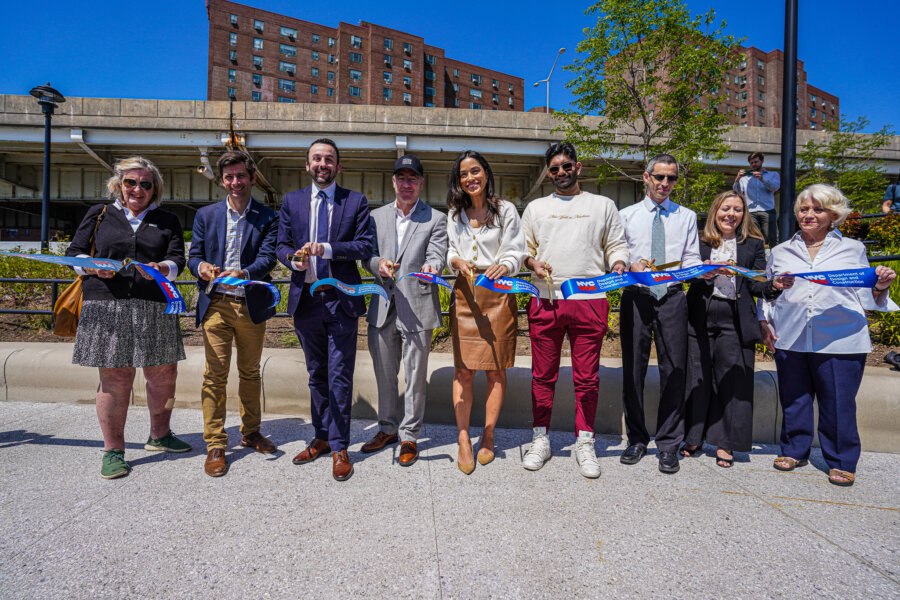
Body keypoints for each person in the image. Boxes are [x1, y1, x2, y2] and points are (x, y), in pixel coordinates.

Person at [760, 184, 896, 487]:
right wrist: (764, 323)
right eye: (804, 209)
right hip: (791, 335)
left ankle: (842, 461)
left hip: (841, 338)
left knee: (838, 402)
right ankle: (794, 450)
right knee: (794, 399)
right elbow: (768, 291)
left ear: (833, 214)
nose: (808, 214)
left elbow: (866, 294)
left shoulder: (852, 249)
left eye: (817, 209)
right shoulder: (780, 251)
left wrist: (881, 286)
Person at [66, 156, 189, 479]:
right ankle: (113, 451)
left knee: (163, 374)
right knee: (116, 378)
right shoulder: (100, 214)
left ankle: (160, 435)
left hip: (155, 304)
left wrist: (163, 269)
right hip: (107, 305)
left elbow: (177, 259)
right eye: (131, 182)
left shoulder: (167, 219)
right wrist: (92, 266)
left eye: (145, 184)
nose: (137, 189)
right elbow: (74, 253)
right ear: (119, 184)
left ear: (154, 188)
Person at [519, 142, 629, 479]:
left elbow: (616, 245)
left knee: (587, 378)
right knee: (542, 375)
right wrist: (532, 263)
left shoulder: (603, 205)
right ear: (548, 172)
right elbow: (523, 249)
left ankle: (585, 440)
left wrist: (619, 263)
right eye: (554, 168)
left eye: (567, 166)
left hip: (590, 298)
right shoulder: (536, 208)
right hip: (546, 298)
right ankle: (540, 438)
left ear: (578, 167)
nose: (561, 172)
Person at [276, 138, 372, 482]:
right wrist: (294, 260)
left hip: (340, 299)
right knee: (316, 373)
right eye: (316, 158)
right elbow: (281, 246)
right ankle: (321, 436)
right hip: (306, 300)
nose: (322, 164)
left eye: (329, 159)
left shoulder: (356, 201)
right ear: (307, 165)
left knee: (340, 374)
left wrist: (327, 249)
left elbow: (364, 246)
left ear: (337, 167)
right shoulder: (292, 202)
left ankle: (340, 445)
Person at [187, 151, 279, 477]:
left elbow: (268, 258)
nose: (235, 182)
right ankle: (215, 443)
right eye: (229, 177)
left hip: (250, 303)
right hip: (216, 304)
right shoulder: (206, 215)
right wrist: (200, 267)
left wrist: (245, 273)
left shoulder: (268, 217)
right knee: (215, 375)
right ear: (222, 181)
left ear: (252, 178)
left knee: (250, 372)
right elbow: (193, 256)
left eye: (241, 176)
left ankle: (251, 432)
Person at [682, 191, 788, 468]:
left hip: (735, 317)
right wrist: (701, 271)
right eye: (726, 208)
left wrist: (774, 287)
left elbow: (756, 284)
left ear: (744, 215)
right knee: (697, 377)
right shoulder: (699, 241)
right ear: (715, 211)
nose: (731, 214)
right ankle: (693, 436)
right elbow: (685, 274)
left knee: (733, 381)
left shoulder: (753, 244)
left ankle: (726, 443)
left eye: (737, 210)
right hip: (700, 314)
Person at [360, 154, 448, 466]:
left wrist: (432, 267)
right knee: (385, 375)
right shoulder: (375, 217)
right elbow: (367, 256)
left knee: (414, 376)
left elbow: (438, 254)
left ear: (421, 184)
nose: (406, 184)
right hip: (382, 305)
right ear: (393, 181)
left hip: (418, 305)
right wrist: (378, 265)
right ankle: (387, 429)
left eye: (413, 179)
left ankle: (410, 436)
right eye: (402, 178)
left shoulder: (435, 218)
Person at [618, 153, 701, 474]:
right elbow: (616, 255)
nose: (665, 183)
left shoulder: (686, 216)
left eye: (672, 178)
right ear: (646, 177)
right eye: (660, 177)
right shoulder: (626, 215)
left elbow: (691, 257)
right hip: (636, 297)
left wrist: (697, 269)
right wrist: (629, 265)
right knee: (632, 371)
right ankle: (637, 439)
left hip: (672, 298)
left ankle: (668, 444)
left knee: (674, 370)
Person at [446, 150, 526, 474]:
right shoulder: (454, 214)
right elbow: (451, 250)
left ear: (486, 173)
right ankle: (464, 437)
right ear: (459, 181)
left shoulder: (505, 209)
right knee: (463, 370)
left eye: (475, 171)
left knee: (496, 370)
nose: (470, 178)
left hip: (499, 293)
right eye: (464, 174)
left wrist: (504, 265)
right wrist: (455, 260)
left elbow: (516, 249)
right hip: (465, 293)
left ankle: (489, 434)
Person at [733, 152, 781, 246]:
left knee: (773, 237)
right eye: (751, 163)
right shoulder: (744, 178)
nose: (754, 164)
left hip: (767, 210)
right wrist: (737, 179)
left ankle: (775, 255)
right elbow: (737, 192)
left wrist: (762, 179)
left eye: (756, 162)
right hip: (750, 211)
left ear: (762, 161)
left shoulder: (772, 174)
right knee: (752, 238)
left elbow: (775, 188)